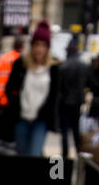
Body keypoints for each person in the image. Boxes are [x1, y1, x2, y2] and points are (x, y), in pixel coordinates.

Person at [5, 21, 60, 157]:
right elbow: (10, 88)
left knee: (34, 153)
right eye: (36, 44)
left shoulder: (53, 69)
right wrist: (15, 105)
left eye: (43, 45)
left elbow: (54, 95)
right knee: (22, 153)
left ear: (47, 48)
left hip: (40, 120)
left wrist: (46, 112)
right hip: (21, 117)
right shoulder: (21, 64)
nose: (39, 49)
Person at [58, 38, 90, 159]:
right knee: (76, 131)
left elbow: (60, 87)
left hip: (65, 102)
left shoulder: (63, 66)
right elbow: (88, 83)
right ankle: (78, 154)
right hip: (77, 103)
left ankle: (65, 155)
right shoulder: (83, 66)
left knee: (65, 132)